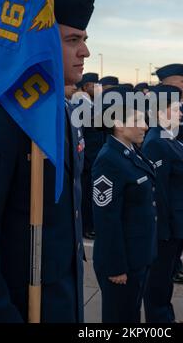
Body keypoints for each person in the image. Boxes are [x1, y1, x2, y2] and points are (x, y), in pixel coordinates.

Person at [0, 0, 95, 322]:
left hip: (60, 300)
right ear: (37, 44)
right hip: (19, 307)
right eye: (73, 40)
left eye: (85, 40)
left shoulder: (65, 112)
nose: (84, 52)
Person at [92, 86, 157, 323]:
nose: (145, 126)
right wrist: (115, 266)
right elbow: (106, 220)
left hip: (138, 255)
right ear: (119, 124)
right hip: (122, 262)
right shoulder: (109, 161)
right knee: (120, 318)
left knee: (131, 314)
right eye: (139, 120)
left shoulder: (131, 152)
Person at [142, 84, 183, 323]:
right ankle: (160, 322)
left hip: (178, 224)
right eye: (176, 108)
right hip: (167, 229)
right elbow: (157, 194)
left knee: (166, 278)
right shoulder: (155, 142)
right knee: (159, 282)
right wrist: (162, 231)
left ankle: (166, 318)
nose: (181, 113)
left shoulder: (169, 137)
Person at [155, 63, 183, 284]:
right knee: (161, 274)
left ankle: (175, 265)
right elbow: (160, 190)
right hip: (169, 217)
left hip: (182, 182)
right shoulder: (157, 138)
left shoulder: (169, 129)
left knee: (169, 261)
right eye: (182, 80)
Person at [77, 73, 105, 240]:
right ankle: (86, 227)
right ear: (86, 86)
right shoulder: (82, 104)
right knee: (87, 196)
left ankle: (90, 224)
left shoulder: (92, 104)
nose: (97, 88)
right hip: (88, 161)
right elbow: (82, 135)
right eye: (94, 85)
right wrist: (85, 160)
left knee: (92, 195)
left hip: (95, 158)